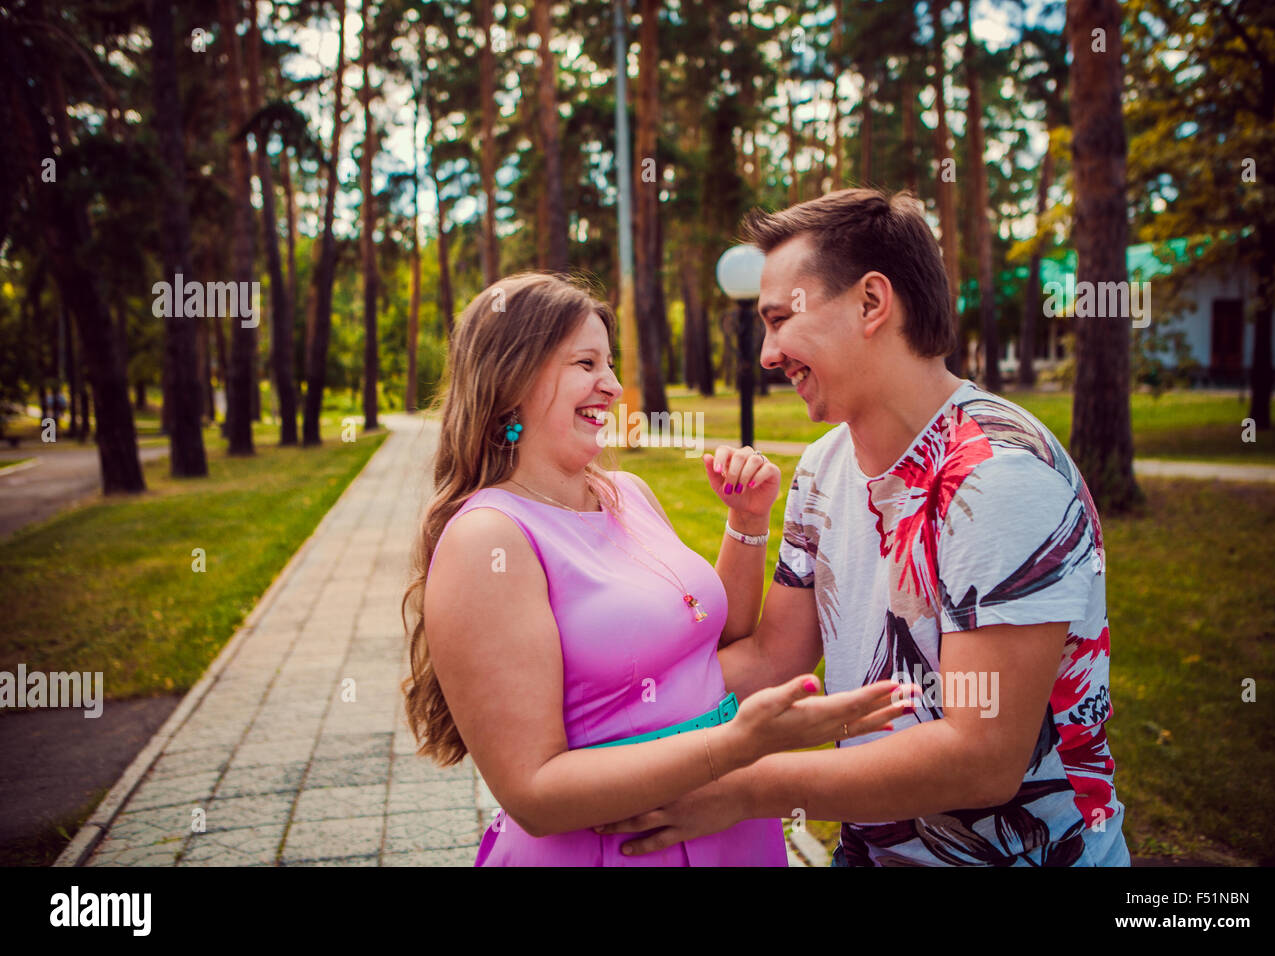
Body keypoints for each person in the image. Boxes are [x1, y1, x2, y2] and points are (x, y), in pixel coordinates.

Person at [597, 188, 1132, 867]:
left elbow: (982, 757)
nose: (768, 354)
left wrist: (741, 789)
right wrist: (605, 723)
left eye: (779, 320)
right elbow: (773, 659)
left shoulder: (998, 479)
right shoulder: (824, 468)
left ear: (871, 303)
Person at [402, 272, 914, 866]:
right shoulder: (488, 538)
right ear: (511, 377)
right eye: (586, 364)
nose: (613, 386)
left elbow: (711, 641)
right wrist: (737, 747)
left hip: (725, 834)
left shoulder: (626, 492)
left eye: (610, 363)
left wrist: (747, 522)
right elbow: (534, 795)